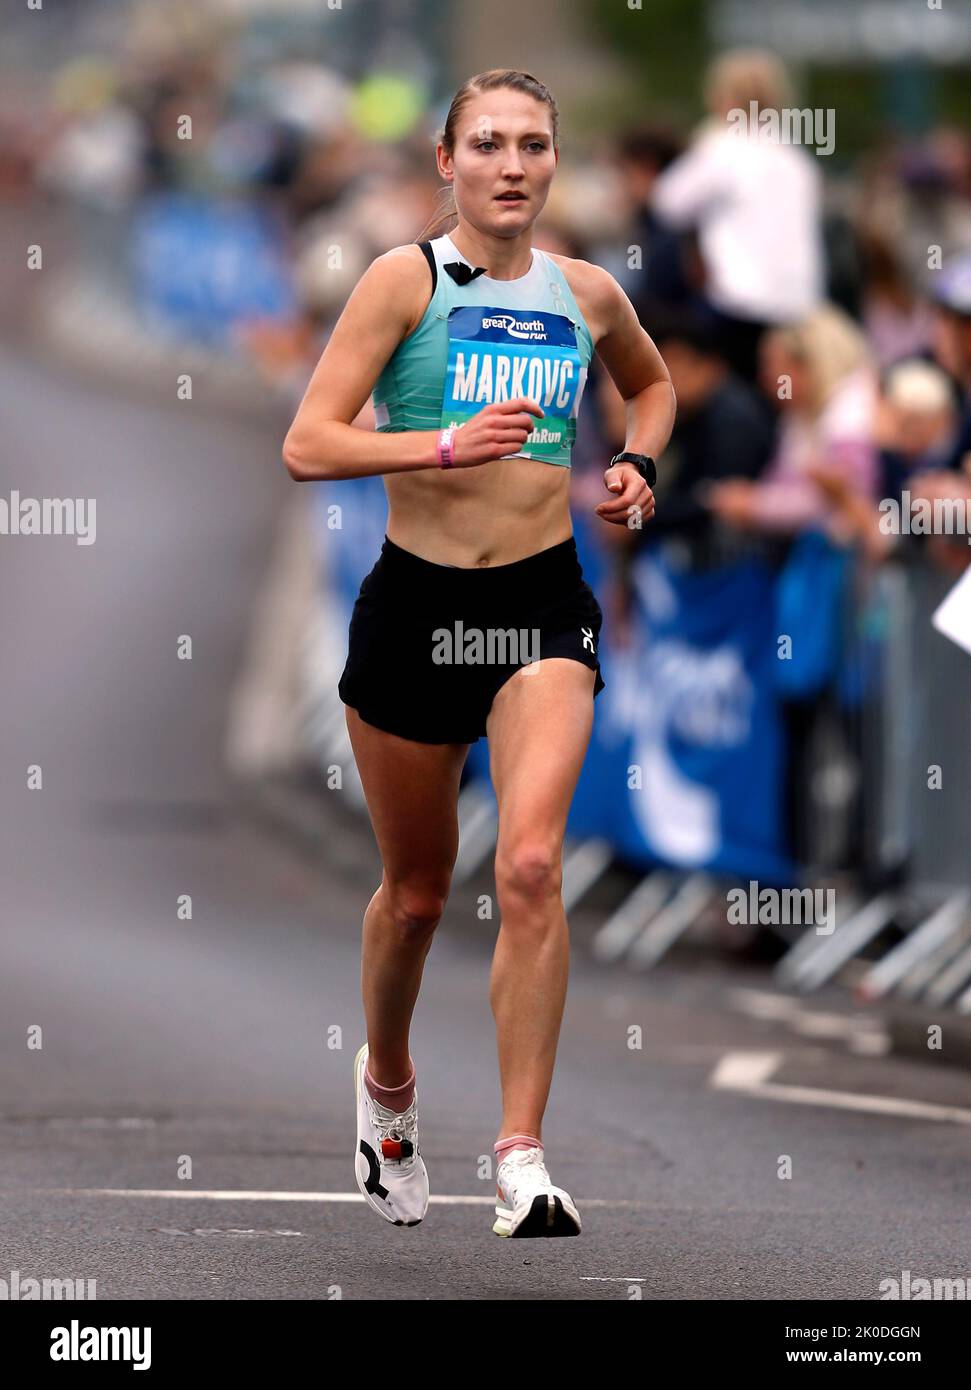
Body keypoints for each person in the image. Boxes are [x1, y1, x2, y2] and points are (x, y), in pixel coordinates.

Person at [282, 69, 675, 1238]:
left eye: (533, 145)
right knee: (414, 897)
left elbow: (650, 387)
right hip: (415, 608)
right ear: (446, 161)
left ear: (555, 161)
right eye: (489, 144)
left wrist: (636, 463)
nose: (512, 166)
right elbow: (308, 443)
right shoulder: (400, 280)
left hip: (539, 605)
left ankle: (519, 1156)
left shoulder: (586, 292)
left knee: (531, 865)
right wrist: (442, 445)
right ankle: (387, 1086)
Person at [650, 49, 824, 383]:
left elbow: (667, 203)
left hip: (736, 303)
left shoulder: (722, 146)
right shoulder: (795, 158)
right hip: (796, 305)